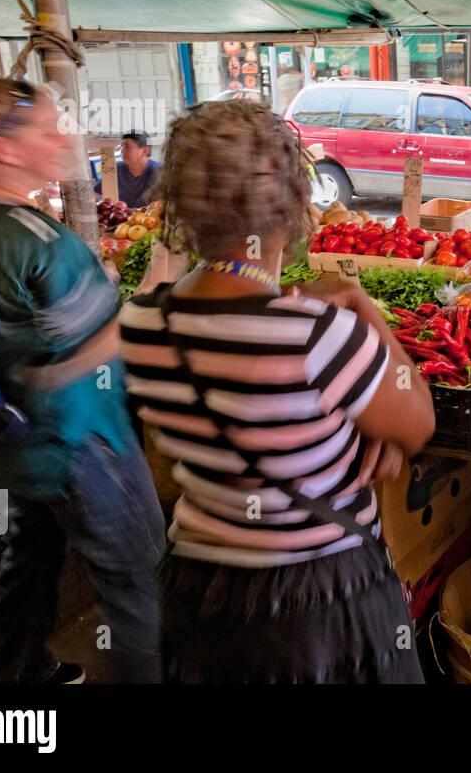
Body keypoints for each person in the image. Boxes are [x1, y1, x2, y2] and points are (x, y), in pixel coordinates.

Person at [118, 100, 436, 683]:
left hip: (202, 592)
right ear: (294, 209)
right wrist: (365, 312)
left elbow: (245, 409)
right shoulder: (317, 334)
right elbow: (416, 422)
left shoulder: (141, 324)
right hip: (322, 600)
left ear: (181, 210)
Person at [0, 79, 166, 684]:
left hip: (9, 437)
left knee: (32, 553)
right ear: (4, 150)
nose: (66, 136)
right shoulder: (36, 240)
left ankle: (13, 672)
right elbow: (70, 357)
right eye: (48, 129)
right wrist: (154, 285)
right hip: (81, 439)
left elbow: (21, 332)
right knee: (139, 579)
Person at [94, 130, 161, 208]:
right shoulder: (116, 169)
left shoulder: (159, 171)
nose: (122, 151)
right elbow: (94, 194)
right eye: (121, 146)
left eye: (127, 146)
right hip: (119, 218)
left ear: (145, 151)